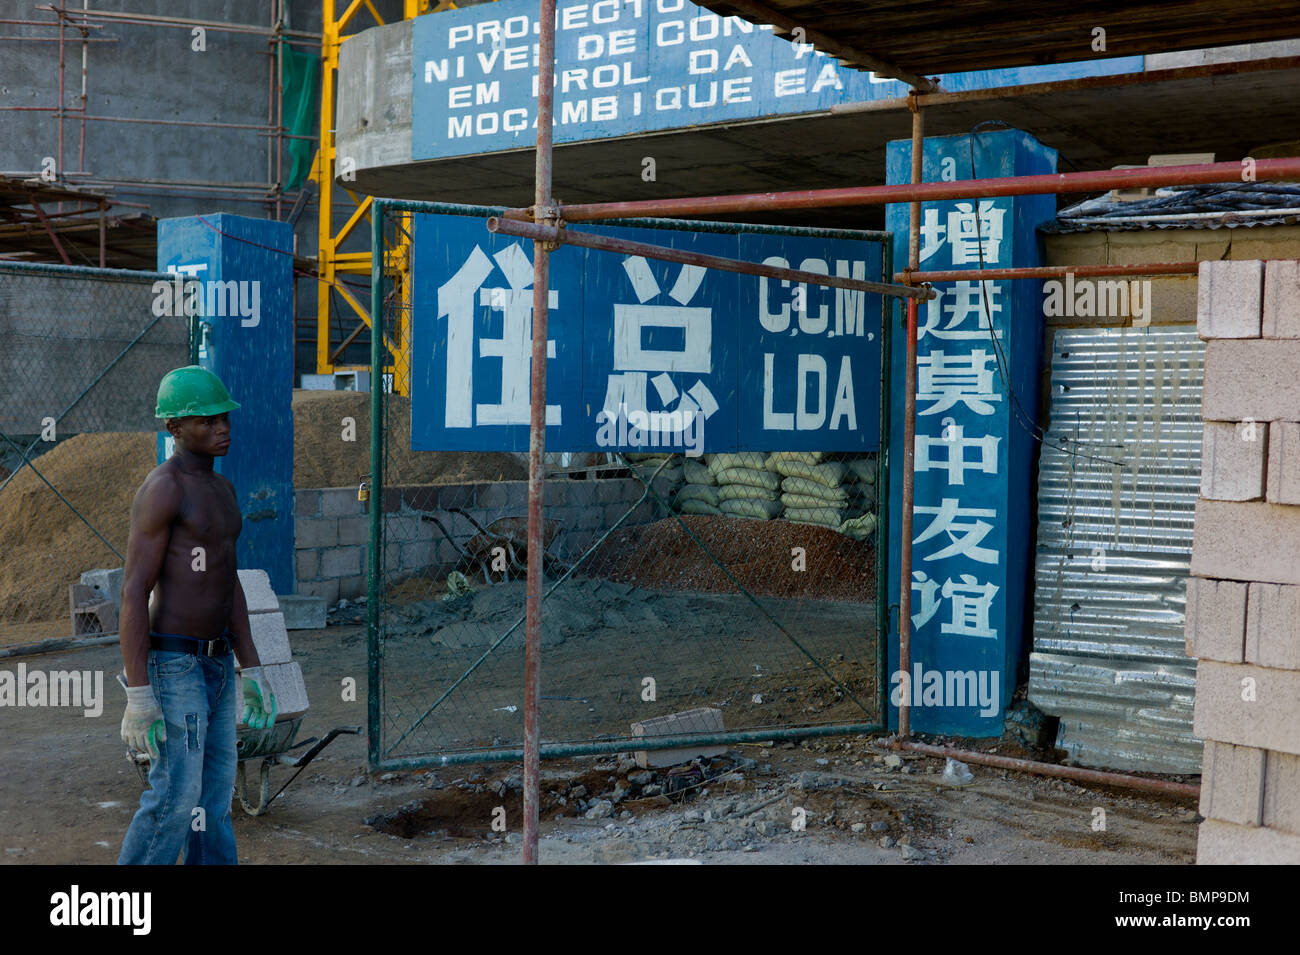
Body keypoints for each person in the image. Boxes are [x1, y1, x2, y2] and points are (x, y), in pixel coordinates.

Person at [117, 365, 276, 865]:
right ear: (175, 430)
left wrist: (252, 668)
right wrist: (140, 692)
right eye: (206, 421)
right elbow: (132, 592)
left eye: (223, 417)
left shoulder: (224, 493)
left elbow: (228, 586)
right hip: (175, 663)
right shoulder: (165, 490)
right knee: (176, 795)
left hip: (217, 662)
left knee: (213, 797)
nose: (221, 428)